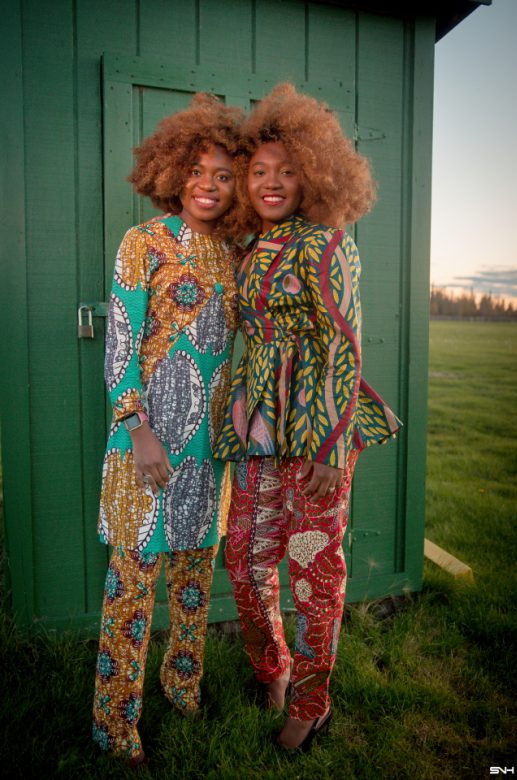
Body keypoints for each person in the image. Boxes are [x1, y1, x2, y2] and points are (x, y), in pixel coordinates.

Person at [215, 83, 402, 751]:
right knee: (244, 559)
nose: (271, 182)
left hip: (317, 429)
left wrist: (330, 445)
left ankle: (312, 703)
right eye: (258, 171)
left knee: (312, 569)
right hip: (258, 429)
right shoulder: (248, 248)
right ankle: (273, 668)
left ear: (314, 176)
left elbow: (345, 344)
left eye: (287, 170)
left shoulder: (328, 244)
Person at [92, 93, 243, 765]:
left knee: (192, 585)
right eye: (197, 171)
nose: (208, 185)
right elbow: (121, 342)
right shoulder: (143, 243)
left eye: (224, 175)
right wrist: (137, 427)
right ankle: (114, 723)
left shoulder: (236, 255)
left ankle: (182, 689)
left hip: (208, 451)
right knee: (132, 587)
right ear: (174, 172)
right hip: (143, 445)